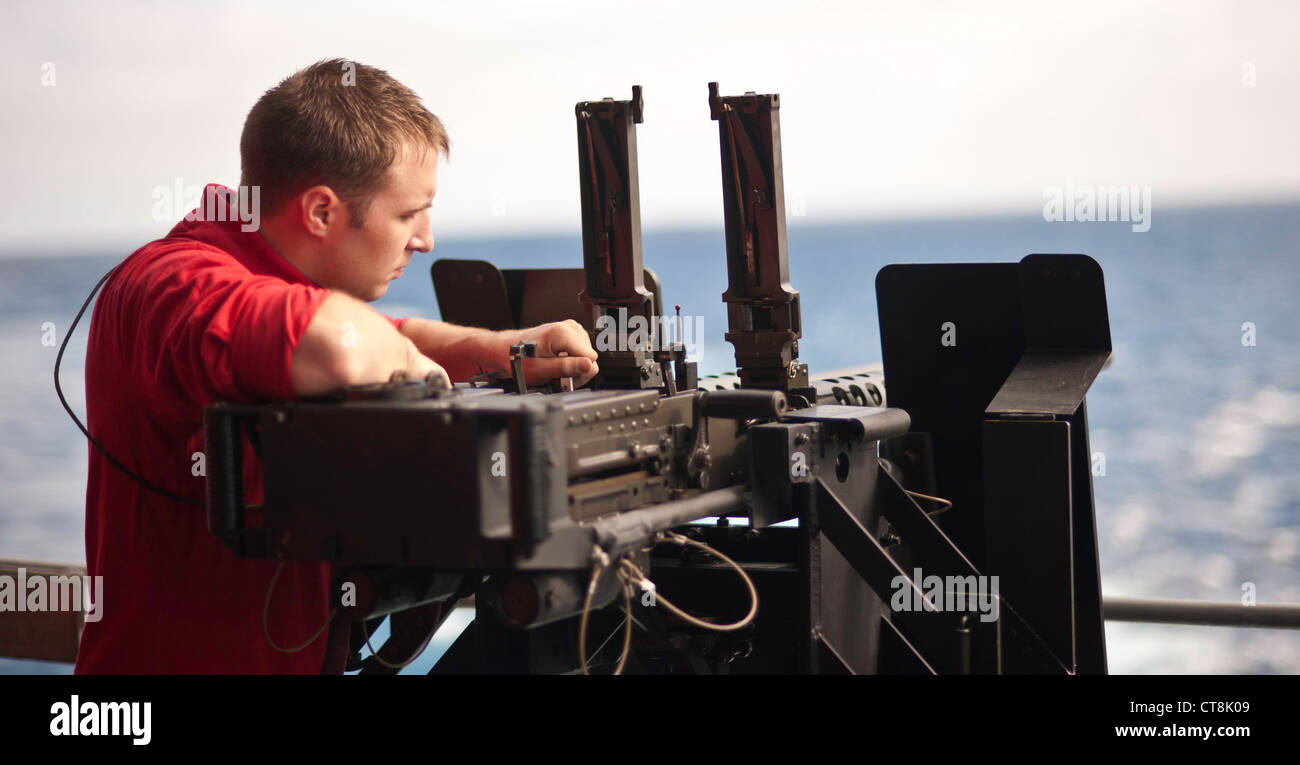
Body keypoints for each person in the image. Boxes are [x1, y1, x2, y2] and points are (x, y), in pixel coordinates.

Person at [74, 59, 598, 673]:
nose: (426, 238)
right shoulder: (174, 286)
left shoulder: (258, 276)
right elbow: (334, 343)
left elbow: (383, 332)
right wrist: (423, 380)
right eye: (408, 214)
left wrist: (507, 348)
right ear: (321, 212)